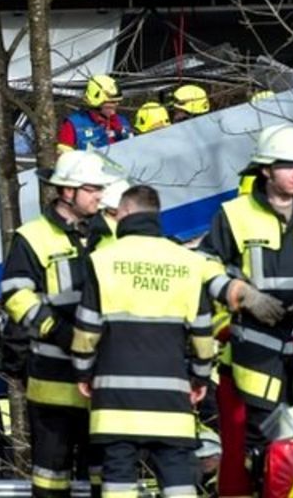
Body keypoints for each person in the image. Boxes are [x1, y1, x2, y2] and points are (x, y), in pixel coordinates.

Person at [199, 123, 293, 490]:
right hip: (256, 348)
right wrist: (242, 294)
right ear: (265, 170)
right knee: (260, 446)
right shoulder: (233, 214)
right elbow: (207, 267)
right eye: (287, 166)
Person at [73, 185, 216, 498]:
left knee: (118, 479)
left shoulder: (102, 260)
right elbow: (204, 333)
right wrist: (201, 377)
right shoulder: (188, 262)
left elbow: (86, 329)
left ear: (124, 212)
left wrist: (83, 371)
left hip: (115, 399)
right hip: (172, 398)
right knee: (178, 477)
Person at [1, 150, 118, 497]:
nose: (99, 195)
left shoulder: (110, 233)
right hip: (53, 378)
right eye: (92, 189)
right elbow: (15, 295)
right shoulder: (32, 237)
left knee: (103, 475)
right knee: (51, 478)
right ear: (67, 192)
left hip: (102, 376)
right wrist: (58, 331)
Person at [58, 74, 132, 151]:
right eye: (111, 102)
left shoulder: (122, 122)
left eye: (117, 102)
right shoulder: (74, 125)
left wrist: (117, 127)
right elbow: (66, 159)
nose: (116, 105)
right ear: (96, 102)